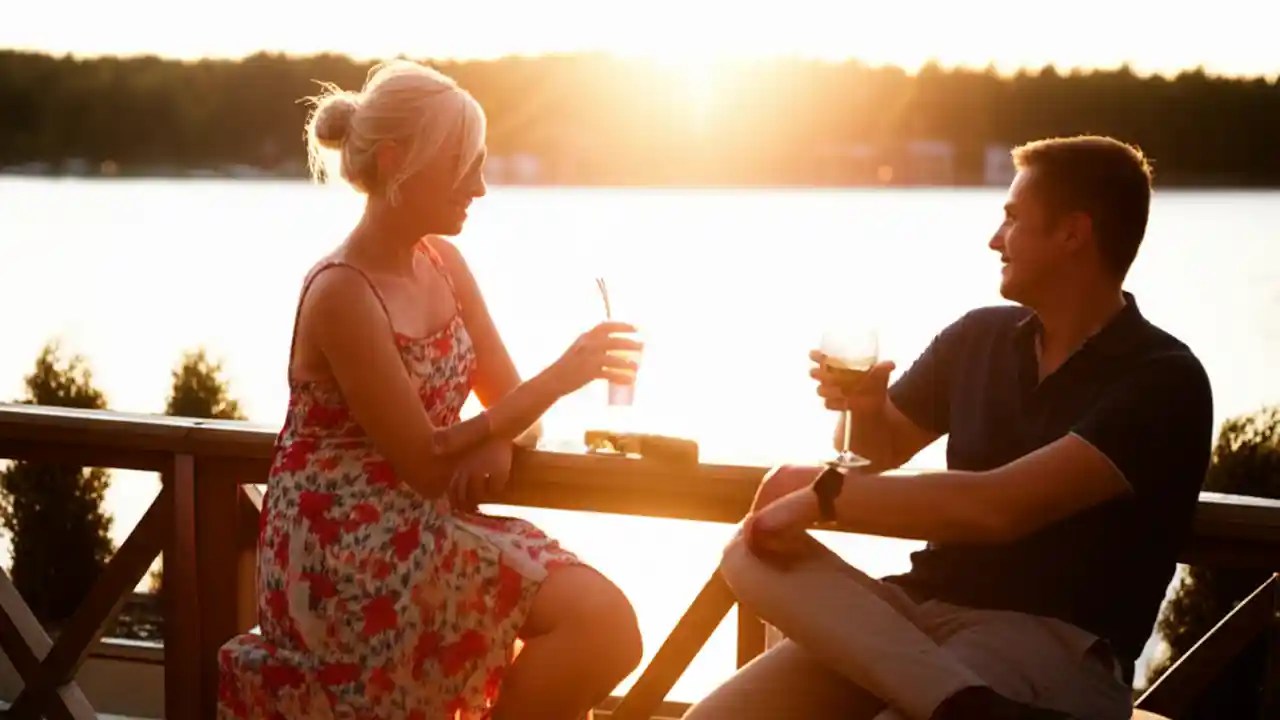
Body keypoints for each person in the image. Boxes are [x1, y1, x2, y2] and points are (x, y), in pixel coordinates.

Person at [684, 136, 1213, 720]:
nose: (995, 240)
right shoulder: (978, 338)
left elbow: (999, 508)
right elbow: (879, 448)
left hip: (1050, 639)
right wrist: (863, 408)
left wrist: (821, 498)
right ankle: (964, 707)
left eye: (1012, 219)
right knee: (749, 555)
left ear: (1071, 234)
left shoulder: (1163, 380)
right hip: (915, 617)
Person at [217, 60, 643, 720]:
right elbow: (421, 460)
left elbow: (508, 403)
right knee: (599, 625)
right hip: (342, 553)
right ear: (397, 163)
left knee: (608, 629)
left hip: (421, 526)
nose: (479, 186)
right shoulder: (341, 292)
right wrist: (559, 380)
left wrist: (502, 437)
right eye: (462, 163)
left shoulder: (444, 263)